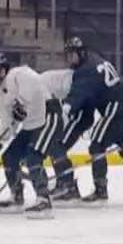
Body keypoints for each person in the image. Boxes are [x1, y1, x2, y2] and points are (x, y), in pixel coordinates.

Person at [62, 37, 123, 206]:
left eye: (72, 54)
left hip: (115, 107)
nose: (69, 59)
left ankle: (100, 190)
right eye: (67, 55)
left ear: (81, 53)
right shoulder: (94, 58)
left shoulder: (85, 69)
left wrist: (66, 108)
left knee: (96, 145)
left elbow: (78, 93)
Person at [0, 52, 60, 219]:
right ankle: (16, 196)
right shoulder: (1, 98)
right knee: (9, 156)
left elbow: (35, 84)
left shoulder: (19, 74)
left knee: (33, 157)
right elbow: (8, 123)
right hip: (31, 125)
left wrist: (22, 104)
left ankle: (44, 200)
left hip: (49, 117)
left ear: (3, 70)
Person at [38, 67, 82, 206]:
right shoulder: (41, 82)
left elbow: (53, 108)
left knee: (56, 145)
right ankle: (64, 184)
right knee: (55, 146)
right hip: (70, 108)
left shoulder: (38, 86)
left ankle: (68, 186)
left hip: (75, 110)